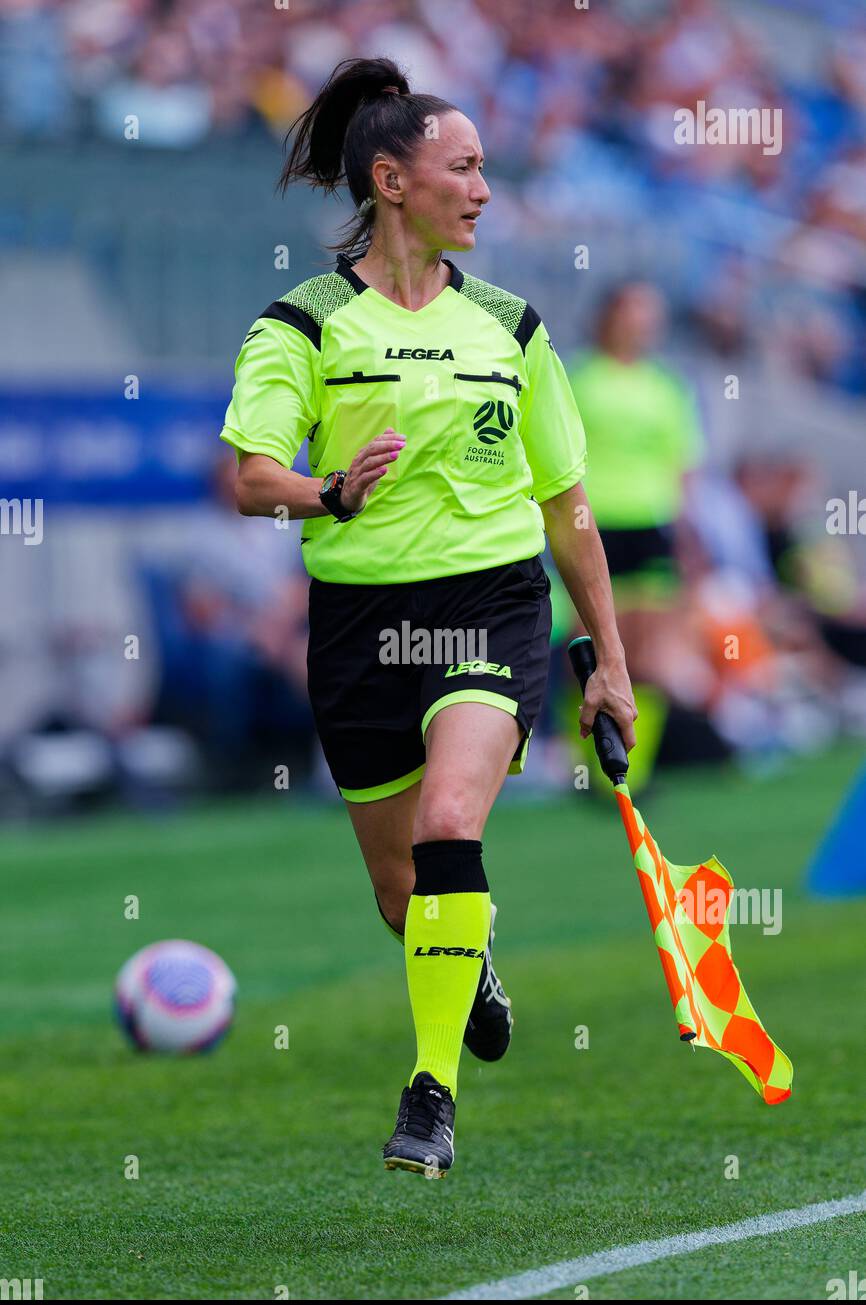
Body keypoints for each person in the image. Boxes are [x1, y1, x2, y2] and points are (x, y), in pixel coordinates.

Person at [220, 56, 636, 1177]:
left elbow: (568, 506)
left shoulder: (512, 325)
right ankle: (473, 961)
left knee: (454, 822)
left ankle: (430, 1094)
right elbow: (250, 477)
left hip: (489, 605)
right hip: (357, 622)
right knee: (403, 893)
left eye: (486, 168)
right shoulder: (302, 324)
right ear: (393, 182)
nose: (484, 189)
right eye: (464, 167)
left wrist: (613, 664)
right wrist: (327, 492)